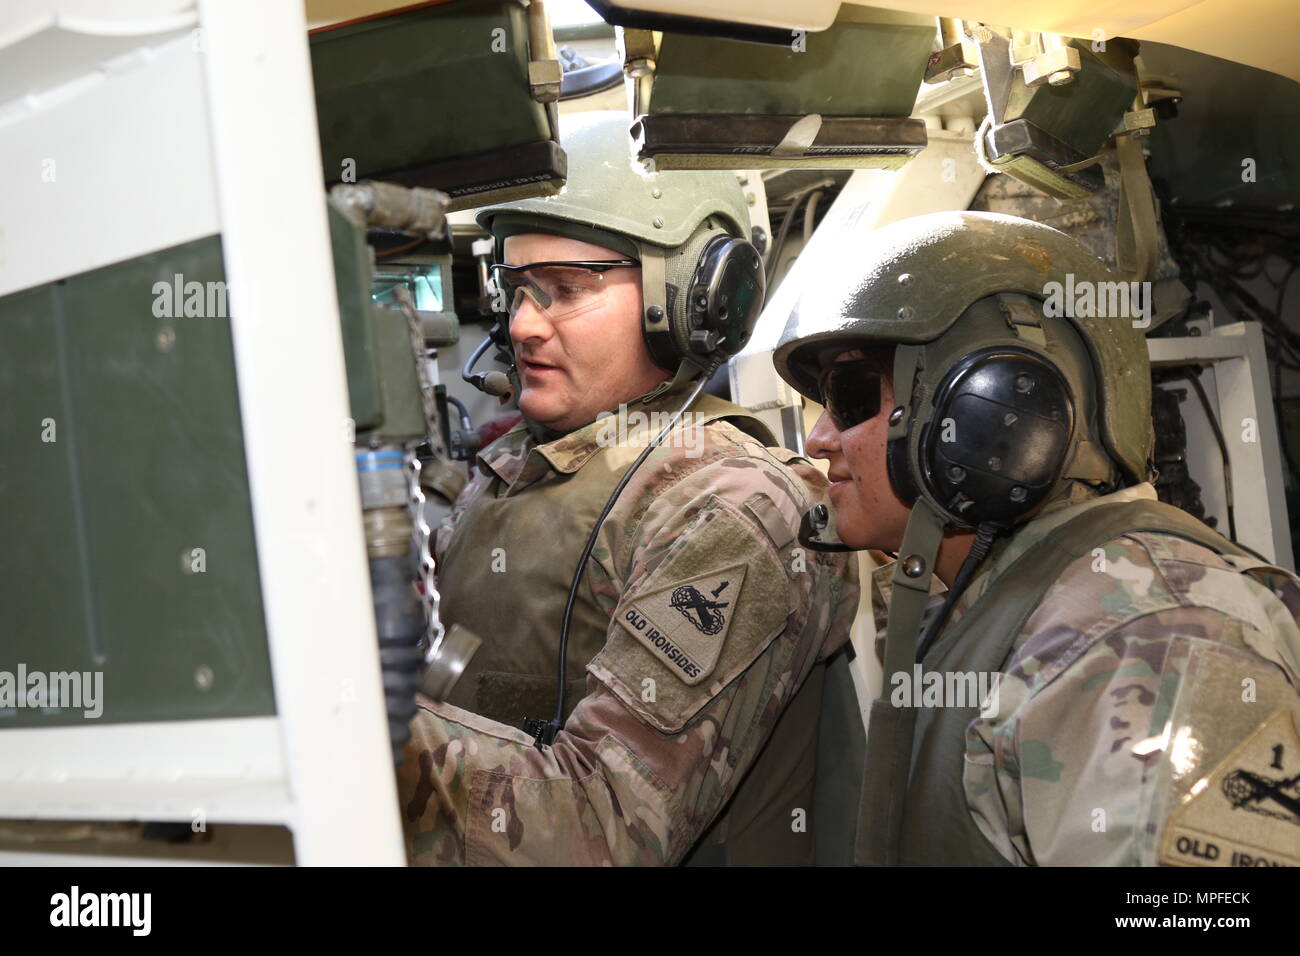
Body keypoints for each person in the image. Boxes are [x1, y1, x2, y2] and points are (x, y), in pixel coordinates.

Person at [397, 112, 860, 866]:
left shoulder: (732, 505)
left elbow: (601, 824)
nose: (521, 326)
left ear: (690, 303)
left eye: (563, 290)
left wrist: (357, 721)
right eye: (515, 290)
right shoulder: (520, 467)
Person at [773, 210, 1300, 866]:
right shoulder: (1015, 603)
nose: (821, 440)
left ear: (991, 408)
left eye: (851, 397)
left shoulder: (1147, 635)